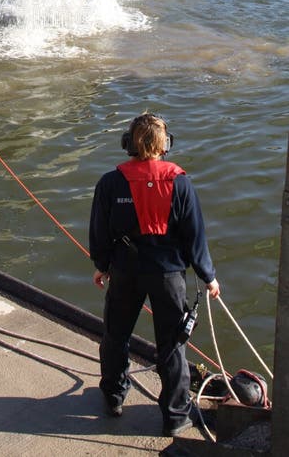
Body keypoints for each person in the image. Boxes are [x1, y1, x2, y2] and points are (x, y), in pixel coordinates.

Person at [89, 113, 220, 437]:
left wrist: (102, 265)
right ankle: (175, 416)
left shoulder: (110, 182)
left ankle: (113, 397)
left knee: (116, 337)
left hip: (125, 272)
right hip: (168, 275)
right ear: (166, 145)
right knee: (172, 346)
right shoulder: (181, 182)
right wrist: (208, 275)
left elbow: (99, 231)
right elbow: (194, 236)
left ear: (127, 144)